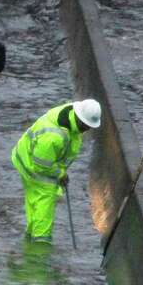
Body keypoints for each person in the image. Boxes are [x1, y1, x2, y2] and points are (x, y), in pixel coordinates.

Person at [11, 99, 101, 244]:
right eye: (86, 126)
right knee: (44, 207)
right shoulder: (54, 137)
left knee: (35, 205)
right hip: (35, 169)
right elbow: (41, 165)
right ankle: (39, 249)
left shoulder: (70, 115)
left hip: (28, 159)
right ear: (79, 119)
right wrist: (60, 174)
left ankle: (29, 240)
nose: (87, 130)